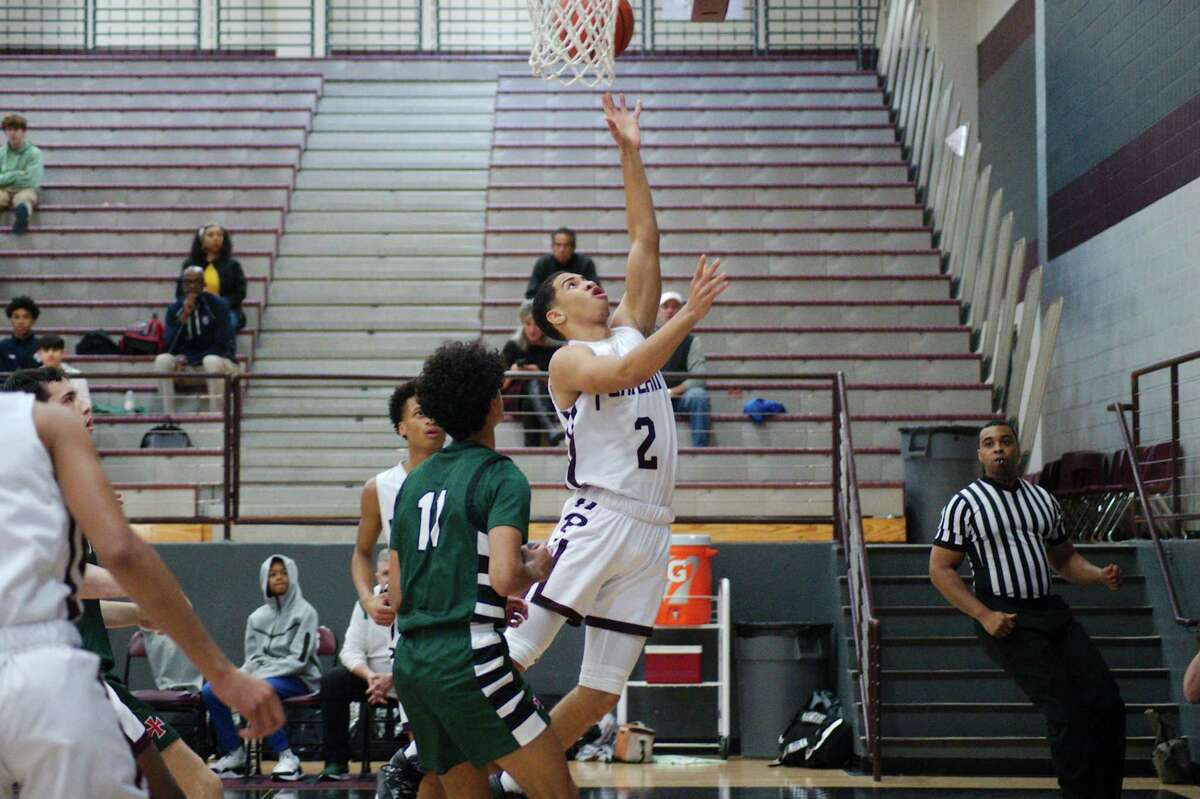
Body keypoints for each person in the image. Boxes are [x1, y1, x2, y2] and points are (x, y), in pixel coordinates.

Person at [499, 93, 727, 796]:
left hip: (653, 529)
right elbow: (631, 371)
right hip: (596, 516)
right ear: (556, 317)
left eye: (580, 273)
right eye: (570, 283)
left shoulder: (630, 323)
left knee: (599, 693)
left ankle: (510, 780)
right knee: (514, 655)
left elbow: (643, 239)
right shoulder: (565, 364)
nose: (586, 280)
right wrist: (686, 316)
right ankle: (424, 757)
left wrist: (629, 148)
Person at [0, 373, 282, 798]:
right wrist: (222, 674)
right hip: (44, 673)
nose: (86, 408)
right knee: (193, 788)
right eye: (71, 397)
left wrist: (136, 609)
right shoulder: (47, 436)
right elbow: (122, 555)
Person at [388, 339, 575, 799]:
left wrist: (481, 597)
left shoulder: (413, 483)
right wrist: (536, 565)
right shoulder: (501, 476)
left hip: (412, 664)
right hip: (468, 661)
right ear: (496, 403)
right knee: (559, 793)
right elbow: (507, 576)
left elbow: (397, 592)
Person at [928, 421, 1126, 799]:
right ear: (980, 455)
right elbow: (939, 569)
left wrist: (1100, 575)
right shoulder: (964, 503)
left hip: (1052, 612)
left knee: (1108, 703)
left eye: (1005, 441)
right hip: (1007, 618)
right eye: (989, 444)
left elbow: (1065, 560)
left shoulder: (1042, 499)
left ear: (1017, 448)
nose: (998, 448)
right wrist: (984, 615)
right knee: (1066, 713)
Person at [346, 380, 447, 796]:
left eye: (437, 411)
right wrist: (369, 598)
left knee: (462, 748)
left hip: (468, 621)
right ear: (400, 427)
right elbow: (361, 553)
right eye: (421, 412)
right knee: (429, 753)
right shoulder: (380, 487)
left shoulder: (466, 472)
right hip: (414, 629)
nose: (432, 419)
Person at [202, 554, 323, 781]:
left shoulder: (306, 612)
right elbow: (253, 659)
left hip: (299, 679)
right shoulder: (256, 618)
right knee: (212, 689)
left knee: (261, 689)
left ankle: (287, 757)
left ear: (293, 576)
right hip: (263, 676)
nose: (279, 578)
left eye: (284, 573)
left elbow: (299, 660)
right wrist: (237, 678)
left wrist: (253, 680)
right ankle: (235, 755)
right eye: (273, 574)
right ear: (264, 580)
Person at [317, 548, 403, 781]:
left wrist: (393, 678)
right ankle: (336, 762)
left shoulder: (415, 600)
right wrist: (370, 677)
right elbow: (350, 651)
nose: (388, 579)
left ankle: (413, 761)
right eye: (385, 573)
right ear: (377, 576)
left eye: (394, 574)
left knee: (423, 680)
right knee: (334, 681)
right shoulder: (366, 605)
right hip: (371, 681)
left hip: (406, 679)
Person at [154, 265, 238, 414]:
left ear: (204, 284)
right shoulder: (174, 309)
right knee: (162, 360)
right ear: (182, 285)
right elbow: (168, 346)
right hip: (188, 367)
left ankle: (218, 417)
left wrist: (187, 359)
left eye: (196, 281)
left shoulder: (218, 306)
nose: (192, 286)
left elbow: (221, 346)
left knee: (210, 360)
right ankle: (169, 417)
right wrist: (182, 319)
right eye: (187, 282)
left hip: (220, 363)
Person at [502, 300, 563, 447]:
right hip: (516, 400)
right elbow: (499, 386)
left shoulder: (553, 349)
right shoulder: (513, 347)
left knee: (531, 394)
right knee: (530, 388)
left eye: (536, 324)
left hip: (547, 398)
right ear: (522, 325)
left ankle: (532, 445)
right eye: (527, 324)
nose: (532, 329)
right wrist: (513, 372)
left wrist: (539, 374)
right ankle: (550, 430)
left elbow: (562, 384)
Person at [658, 290, 712, 447]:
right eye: (665, 306)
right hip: (655, 398)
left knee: (699, 396)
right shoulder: (648, 339)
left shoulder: (691, 341)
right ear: (659, 311)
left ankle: (701, 452)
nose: (670, 310)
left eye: (675, 306)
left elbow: (699, 377)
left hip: (680, 397)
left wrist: (671, 392)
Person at [178, 223, 248, 333]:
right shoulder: (190, 265)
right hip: (195, 308)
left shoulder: (233, 265)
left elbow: (240, 292)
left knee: (225, 323)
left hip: (226, 310)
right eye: (210, 235)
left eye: (219, 235)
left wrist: (221, 303)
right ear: (201, 240)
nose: (216, 238)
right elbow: (180, 292)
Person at [524, 227, 598, 300]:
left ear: (573, 247)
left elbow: (595, 292)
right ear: (552, 246)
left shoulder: (585, 263)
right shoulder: (543, 263)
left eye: (566, 245)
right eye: (558, 245)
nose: (561, 249)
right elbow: (531, 294)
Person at [0, 113, 42, 235]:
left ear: (23, 132)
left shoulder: (35, 153)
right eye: (9, 129)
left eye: (16, 129)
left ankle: (21, 219)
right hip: (4, 189)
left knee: (24, 199)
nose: (12, 133)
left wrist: (5, 176)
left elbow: (32, 180)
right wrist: (18, 174)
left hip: (26, 188)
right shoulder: (1, 153)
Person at [37, 333, 92, 414]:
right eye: (46, 350)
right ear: (39, 354)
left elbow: (86, 406)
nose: (50, 354)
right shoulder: (33, 377)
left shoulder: (77, 375)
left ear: (63, 353)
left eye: (55, 350)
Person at [1, 295, 40, 374]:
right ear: (11, 319)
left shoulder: (41, 346)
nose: (20, 321)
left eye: (26, 317)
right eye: (16, 317)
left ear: (33, 320)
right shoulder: (2, 347)